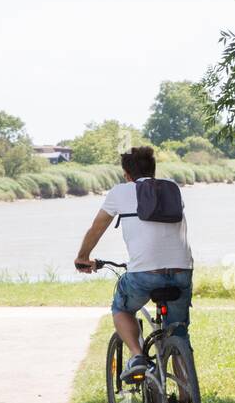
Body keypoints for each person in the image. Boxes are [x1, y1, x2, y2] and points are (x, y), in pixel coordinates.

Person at [73, 146, 193, 384]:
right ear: (153, 170)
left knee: (122, 308)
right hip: (182, 271)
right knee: (178, 333)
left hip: (144, 274)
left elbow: (97, 228)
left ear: (127, 175)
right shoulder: (172, 189)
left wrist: (83, 257)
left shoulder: (120, 192)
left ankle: (138, 357)